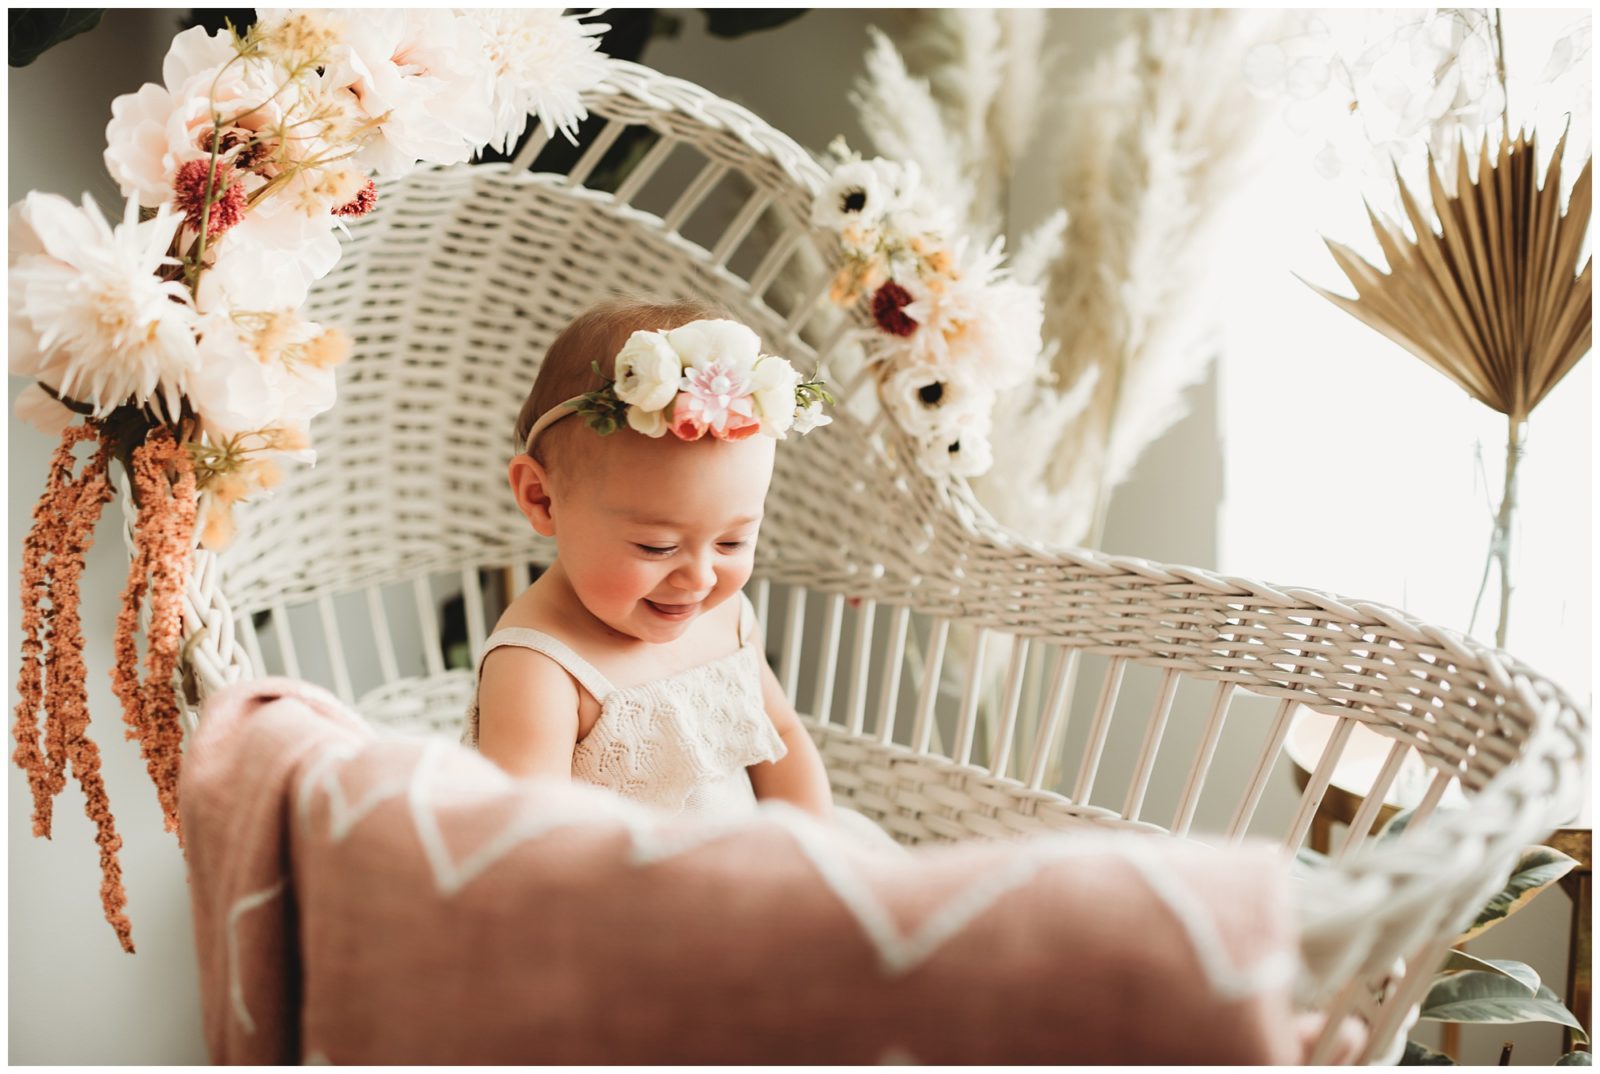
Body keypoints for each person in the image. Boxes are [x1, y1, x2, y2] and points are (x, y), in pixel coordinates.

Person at [462, 293, 893, 845]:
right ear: (542, 499)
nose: (700, 579)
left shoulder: (728, 616)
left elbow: (781, 738)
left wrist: (812, 864)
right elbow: (531, 849)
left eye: (733, 541)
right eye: (657, 547)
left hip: (749, 878)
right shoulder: (540, 668)